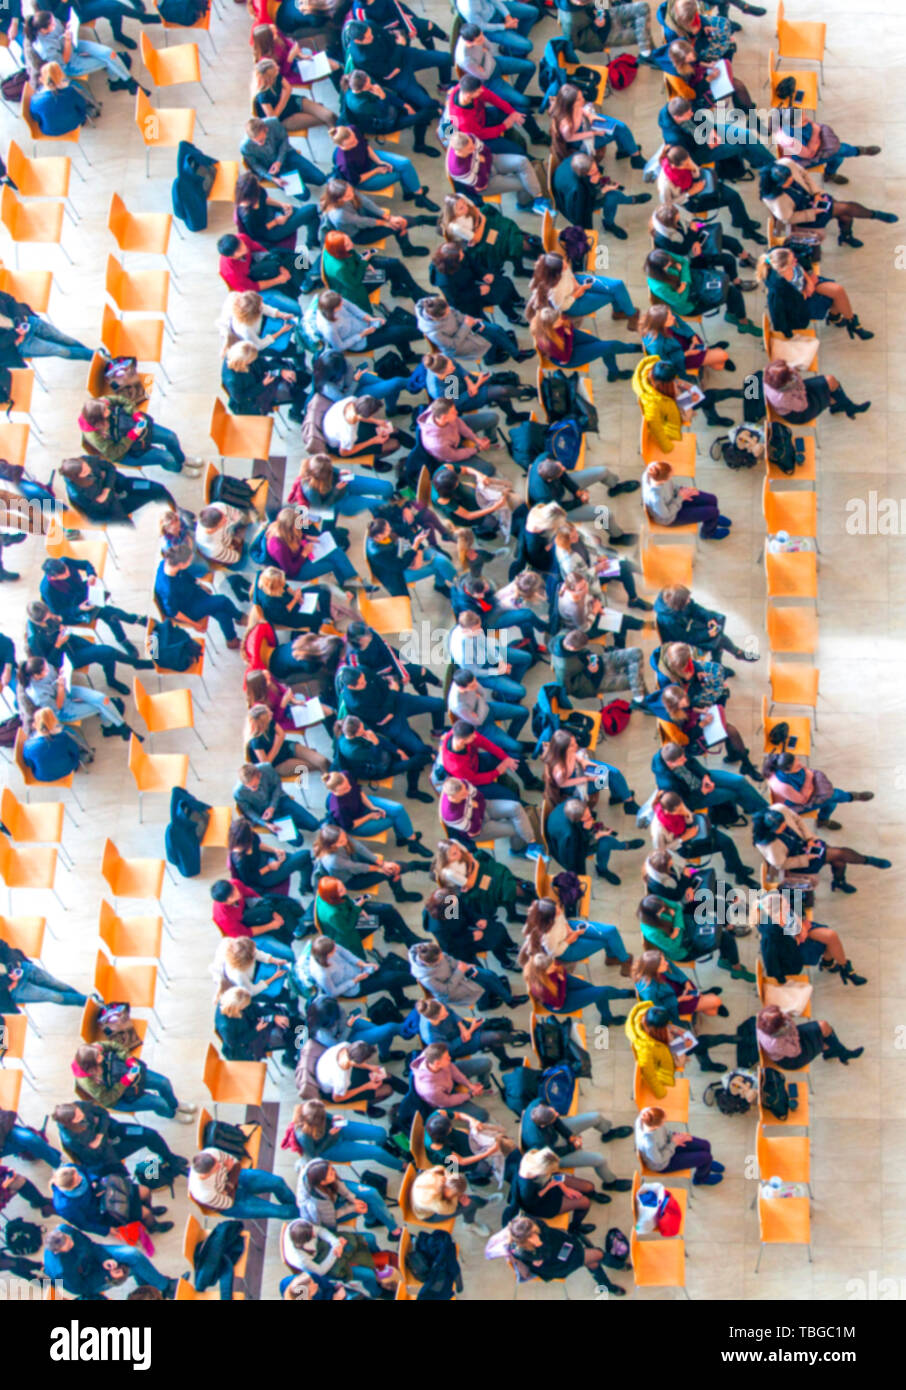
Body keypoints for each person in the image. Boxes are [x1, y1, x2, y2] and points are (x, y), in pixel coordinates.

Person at [759, 157, 897, 249]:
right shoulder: (774, 198)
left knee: (845, 213)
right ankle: (870, 217)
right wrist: (812, 213)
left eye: (790, 178)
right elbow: (788, 218)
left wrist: (817, 193)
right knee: (846, 209)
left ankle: (847, 235)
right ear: (775, 184)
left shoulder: (786, 163)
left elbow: (803, 174)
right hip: (805, 216)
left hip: (814, 199)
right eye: (787, 182)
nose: (791, 181)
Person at [751, 805, 890, 895]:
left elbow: (798, 820)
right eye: (779, 828)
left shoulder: (779, 809)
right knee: (839, 854)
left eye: (783, 824)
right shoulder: (767, 844)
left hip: (807, 844)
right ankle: (864, 863)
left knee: (839, 860)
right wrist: (806, 859)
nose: (783, 827)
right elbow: (781, 864)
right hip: (799, 862)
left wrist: (810, 838)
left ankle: (840, 881)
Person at [757, 245, 873, 341]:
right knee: (834, 298)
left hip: (807, 286)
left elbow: (802, 265)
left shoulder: (781, 254)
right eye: (793, 261)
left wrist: (809, 282)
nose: (796, 260)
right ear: (783, 269)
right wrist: (787, 335)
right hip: (801, 305)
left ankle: (849, 321)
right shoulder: (778, 290)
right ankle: (839, 319)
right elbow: (777, 315)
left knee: (838, 290)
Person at [756, 889, 866, 988]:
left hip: (800, 930)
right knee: (827, 941)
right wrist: (781, 980)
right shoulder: (770, 934)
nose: (788, 907)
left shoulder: (779, 902)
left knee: (831, 936)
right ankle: (833, 965)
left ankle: (840, 966)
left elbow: (795, 901)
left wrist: (802, 923)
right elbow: (770, 960)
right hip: (793, 949)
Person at [71, 1041, 197, 1122]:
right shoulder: (89, 1082)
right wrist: (125, 1081)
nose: (102, 1056)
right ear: (92, 1066)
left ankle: (174, 1105)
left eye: (100, 1053)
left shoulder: (94, 1049)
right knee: (158, 1103)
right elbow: (108, 1100)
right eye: (99, 1057)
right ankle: (171, 1114)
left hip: (124, 1072)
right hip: (120, 1097)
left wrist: (128, 1060)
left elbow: (115, 1046)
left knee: (163, 1082)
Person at [43, 1225, 178, 1299]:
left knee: (133, 1255)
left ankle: (156, 1285)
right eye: (68, 1245)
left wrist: (105, 1259)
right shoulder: (61, 1271)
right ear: (57, 1251)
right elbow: (81, 1289)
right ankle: (161, 1288)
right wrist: (107, 1275)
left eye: (70, 1239)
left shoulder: (65, 1230)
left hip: (95, 1256)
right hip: (90, 1278)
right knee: (133, 1268)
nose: (72, 1242)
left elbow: (91, 1245)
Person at [499, 1214, 625, 1294]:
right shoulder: (521, 1251)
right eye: (533, 1233)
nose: (536, 1231)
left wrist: (540, 1243)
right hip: (556, 1264)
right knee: (597, 1254)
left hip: (559, 1244)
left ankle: (608, 1283)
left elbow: (545, 1229)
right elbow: (546, 1255)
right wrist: (540, 1244)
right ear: (525, 1239)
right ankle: (618, 1266)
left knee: (593, 1262)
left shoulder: (529, 1222)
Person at [520, 1101, 632, 1189]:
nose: (558, 1114)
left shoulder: (539, 1104)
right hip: (553, 1154)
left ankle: (608, 1133)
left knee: (596, 1117)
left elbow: (556, 1120)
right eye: (554, 1116)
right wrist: (573, 1147)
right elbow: (553, 1154)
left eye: (554, 1112)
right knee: (600, 1160)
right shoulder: (537, 1140)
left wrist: (569, 1136)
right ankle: (610, 1183)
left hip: (555, 1134)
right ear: (543, 1126)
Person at [155, 543, 246, 647]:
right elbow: (173, 613)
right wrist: (195, 625)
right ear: (180, 564)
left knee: (222, 614)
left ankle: (231, 640)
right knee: (223, 600)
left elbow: (186, 575)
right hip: (189, 609)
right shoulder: (168, 589)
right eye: (189, 561)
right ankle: (240, 617)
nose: (191, 562)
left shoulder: (167, 563)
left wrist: (200, 584)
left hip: (194, 594)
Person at [329, 124, 438, 210]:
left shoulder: (352, 129)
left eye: (354, 139)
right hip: (364, 179)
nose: (356, 142)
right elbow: (357, 180)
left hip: (369, 159)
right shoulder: (344, 163)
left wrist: (379, 161)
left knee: (405, 163)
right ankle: (415, 195)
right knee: (401, 173)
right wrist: (377, 170)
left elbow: (366, 146)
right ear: (341, 146)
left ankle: (416, 194)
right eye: (352, 143)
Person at [24, 10, 137, 91]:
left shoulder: (52, 20)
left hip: (74, 44)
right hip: (70, 63)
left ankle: (121, 80)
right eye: (52, 24)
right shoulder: (45, 48)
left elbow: (61, 30)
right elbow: (65, 61)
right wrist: (68, 41)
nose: (55, 23)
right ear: (43, 30)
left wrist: (68, 28)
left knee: (109, 54)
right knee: (110, 59)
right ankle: (121, 82)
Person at [78, 395, 191, 476]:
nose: (108, 408)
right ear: (99, 420)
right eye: (106, 411)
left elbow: (121, 400)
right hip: (127, 452)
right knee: (166, 458)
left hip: (132, 426)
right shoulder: (96, 436)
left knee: (171, 437)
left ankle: (181, 459)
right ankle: (178, 468)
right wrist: (132, 435)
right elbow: (114, 454)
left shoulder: (100, 404)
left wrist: (135, 413)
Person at [319, 177, 435, 255]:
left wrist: (387, 217)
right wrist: (387, 222)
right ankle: (408, 248)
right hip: (359, 234)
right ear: (338, 199)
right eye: (348, 196)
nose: (352, 195)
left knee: (399, 221)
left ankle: (426, 221)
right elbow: (363, 222)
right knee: (398, 225)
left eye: (351, 192)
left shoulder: (346, 191)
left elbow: (365, 201)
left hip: (362, 215)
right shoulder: (340, 214)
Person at [546, 795, 645, 886]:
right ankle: (604, 868)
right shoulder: (570, 835)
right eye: (587, 818)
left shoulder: (573, 804)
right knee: (605, 843)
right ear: (578, 820)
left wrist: (592, 826)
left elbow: (586, 821)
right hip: (566, 850)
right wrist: (595, 835)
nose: (591, 818)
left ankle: (624, 846)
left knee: (604, 838)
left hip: (566, 837)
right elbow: (576, 854)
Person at [283, 1099, 405, 1173]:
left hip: (336, 1128)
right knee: (376, 1153)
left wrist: (333, 1118)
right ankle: (401, 1166)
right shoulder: (304, 1136)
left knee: (380, 1132)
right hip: (330, 1148)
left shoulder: (312, 1110)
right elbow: (315, 1155)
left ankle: (386, 1151)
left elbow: (326, 1116)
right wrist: (331, 1135)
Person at [763, 750, 873, 830]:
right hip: (794, 806)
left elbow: (804, 771)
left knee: (831, 801)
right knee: (832, 797)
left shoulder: (780, 765)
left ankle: (823, 821)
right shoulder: (782, 785)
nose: (801, 765)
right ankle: (851, 797)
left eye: (798, 761)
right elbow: (802, 800)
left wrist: (806, 777)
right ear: (786, 771)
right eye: (797, 766)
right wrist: (809, 778)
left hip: (800, 792)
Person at [529, 305, 642, 382]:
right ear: (550, 327)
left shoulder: (554, 319)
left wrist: (567, 330)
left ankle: (613, 373)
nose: (562, 320)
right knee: (610, 345)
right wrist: (568, 334)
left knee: (604, 346)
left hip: (568, 339)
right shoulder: (548, 343)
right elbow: (566, 357)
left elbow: (567, 323)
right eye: (558, 321)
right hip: (567, 356)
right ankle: (635, 348)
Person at [321, 230, 424, 314]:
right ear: (339, 249)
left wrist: (363, 261)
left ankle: (407, 290)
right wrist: (364, 262)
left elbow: (352, 253)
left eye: (349, 241)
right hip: (356, 289)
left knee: (395, 264)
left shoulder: (332, 248)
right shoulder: (339, 269)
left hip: (356, 271)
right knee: (392, 268)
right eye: (347, 245)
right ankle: (410, 292)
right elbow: (355, 283)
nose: (352, 244)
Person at [296, 1158, 401, 1239]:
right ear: (323, 1182)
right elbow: (331, 1217)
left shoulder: (319, 1165)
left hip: (333, 1193)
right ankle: (377, 1223)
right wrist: (352, 1208)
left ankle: (379, 1223)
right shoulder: (317, 1202)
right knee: (367, 1203)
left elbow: (337, 1181)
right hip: (329, 1215)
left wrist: (351, 1198)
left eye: (332, 1169)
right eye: (331, 1174)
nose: (334, 1173)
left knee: (371, 1193)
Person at [654, 583, 757, 665]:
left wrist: (708, 618)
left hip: (687, 627)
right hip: (681, 642)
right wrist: (707, 634)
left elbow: (694, 607)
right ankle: (730, 656)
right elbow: (686, 638)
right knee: (718, 637)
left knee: (717, 620)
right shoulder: (669, 621)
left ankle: (720, 661)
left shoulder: (675, 598)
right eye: (687, 600)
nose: (689, 601)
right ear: (679, 604)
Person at [522, 950, 634, 1024]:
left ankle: (607, 1018)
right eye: (551, 967)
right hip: (561, 1001)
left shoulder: (548, 965)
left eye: (553, 963)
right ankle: (626, 994)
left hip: (561, 985)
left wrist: (561, 977)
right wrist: (562, 980)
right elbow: (559, 1004)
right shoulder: (541, 988)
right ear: (543, 972)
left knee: (597, 992)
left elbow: (561, 970)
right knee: (602, 991)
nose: (555, 966)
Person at [551, 151, 642, 240]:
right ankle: (610, 223)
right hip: (571, 204)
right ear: (584, 173)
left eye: (596, 168)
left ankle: (631, 200)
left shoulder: (579, 159)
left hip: (565, 192)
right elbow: (584, 207)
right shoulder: (578, 188)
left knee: (611, 193)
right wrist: (602, 188)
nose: (597, 172)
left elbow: (593, 177)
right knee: (612, 197)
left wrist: (598, 180)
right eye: (593, 172)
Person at [189, 1148, 299, 1220]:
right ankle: (301, 1214)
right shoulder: (203, 1192)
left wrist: (227, 1188)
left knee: (277, 1182)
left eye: (218, 1162)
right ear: (206, 1174)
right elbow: (228, 1203)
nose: (219, 1164)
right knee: (282, 1212)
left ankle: (296, 1204)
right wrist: (230, 1178)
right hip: (233, 1202)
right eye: (217, 1167)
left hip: (234, 1181)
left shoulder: (211, 1153)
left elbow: (236, 1165)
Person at [60, 456, 175, 522]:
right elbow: (99, 508)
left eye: (87, 467)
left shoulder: (86, 460)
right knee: (127, 521)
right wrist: (104, 478)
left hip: (119, 484)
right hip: (112, 508)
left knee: (157, 488)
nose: (89, 470)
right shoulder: (78, 493)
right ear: (77, 477)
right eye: (85, 472)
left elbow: (110, 468)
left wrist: (106, 488)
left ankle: (176, 513)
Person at [762, 358, 870, 424]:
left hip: (796, 390)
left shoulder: (772, 375)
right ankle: (845, 407)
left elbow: (795, 375)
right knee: (832, 396)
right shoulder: (782, 398)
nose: (791, 369)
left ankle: (844, 407)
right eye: (789, 371)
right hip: (800, 411)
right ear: (785, 381)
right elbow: (803, 405)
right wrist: (800, 387)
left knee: (830, 380)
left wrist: (796, 381)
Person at [240, 115, 325, 197]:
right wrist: (273, 179)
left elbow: (284, 140)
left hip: (287, 154)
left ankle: (297, 177)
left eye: (262, 140)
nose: (260, 144)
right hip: (271, 169)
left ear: (266, 129)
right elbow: (255, 166)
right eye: (256, 142)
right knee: (305, 195)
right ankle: (297, 178)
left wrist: (279, 161)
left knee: (321, 179)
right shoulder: (245, 147)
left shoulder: (273, 122)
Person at [635, 1106, 723, 1184]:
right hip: (664, 1163)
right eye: (663, 1122)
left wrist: (677, 1136)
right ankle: (701, 1179)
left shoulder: (647, 1114)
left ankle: (705, 1167)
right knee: (706, 1157)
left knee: (705, 1145)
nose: (665, 1123)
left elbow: (665, 1132)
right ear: (655, 1127)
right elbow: (659, 1160)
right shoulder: (649, 1143)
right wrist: (674, 1143)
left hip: (668, 1144)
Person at [756, 1004, 863, 1069]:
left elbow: (788, 1020)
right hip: (792, 1057)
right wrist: (793, 1032)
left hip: (790, 1036)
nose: (784, 1015)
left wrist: (790, 1028)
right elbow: (796, 1051)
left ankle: (837, 1052)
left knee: (824, 1025)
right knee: (825, 1042)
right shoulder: (775, 1043)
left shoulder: (767, 1019)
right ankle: (839, 1053)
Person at [233, 761, 319, 841]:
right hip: (265, 814)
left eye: (255, 786)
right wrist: (265, 824)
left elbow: (278, 785)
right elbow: (248, 811)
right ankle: (290, 823)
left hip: (279, 799)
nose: (253, 790)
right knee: (298, 841)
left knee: (314, 825)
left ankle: (291, 822)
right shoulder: (238, 793)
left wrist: (272, 806)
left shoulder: (266, 768)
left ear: (259, 775)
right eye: (250, 787)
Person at [0, 933, 86, 1011]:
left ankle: (89, 1003)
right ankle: (90, 1003)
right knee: (55, 996)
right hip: (12, 989)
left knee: (57, 984)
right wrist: (10, 980)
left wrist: (14, 970)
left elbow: (4, 947)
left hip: (21, 967)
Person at [250, 57, 334, 133]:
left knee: (329, 116)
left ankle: (340, 135)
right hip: (285, 119)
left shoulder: (277, 76)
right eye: (275, 69)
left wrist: (284, 96)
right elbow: (273, 118)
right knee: (323, 119)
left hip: (294, 102)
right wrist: (284, 98)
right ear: (269, 77)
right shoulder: (262, 95)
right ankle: (339, 140)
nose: (278, 68)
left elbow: (288, 88)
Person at [410, 1166, 492, 1234]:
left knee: (470, 1201)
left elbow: (451, 1176)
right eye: (455, 1195)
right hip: (429, 1216)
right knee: (470, 1203)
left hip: (419, 1202)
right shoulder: (433, 1199)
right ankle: (469, 1223)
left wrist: (456, 1196)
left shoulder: (437, 1172)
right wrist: (457, 1198)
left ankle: (483, 1202)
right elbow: (450, 1209)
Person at [21, 706, 85, 781]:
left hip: (43, 776)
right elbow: (75, 751)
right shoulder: (64, 737)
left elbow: (28, 763)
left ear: (35, 724)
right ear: (54, 720)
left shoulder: (29, 745)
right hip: (68, 768)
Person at [29, 60, 91, 135]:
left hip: (50, 131)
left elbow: (36, 118)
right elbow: (82, 105)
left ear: (42, 78)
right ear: (61, 75)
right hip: (74, 123)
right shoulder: (71, 91)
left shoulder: (35, 99)